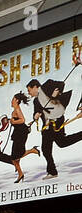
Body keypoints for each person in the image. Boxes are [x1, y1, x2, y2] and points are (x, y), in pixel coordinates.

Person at [26, 49, 82, 178]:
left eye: (29, 90)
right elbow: (36, 112)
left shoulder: (47, 84)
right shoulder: (35, 102)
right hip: (47, 125)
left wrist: (56, 93)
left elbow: (61, 84)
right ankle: (52, 172)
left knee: (61, 143)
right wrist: (35, 116)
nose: (29, 93)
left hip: (57, 118)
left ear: (35, 87)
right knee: (46, 149)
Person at [0, 93, 39, 187]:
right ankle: (20, 174)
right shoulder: (14, 110)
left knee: (16, 156)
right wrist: (10, 121)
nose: (11, 101)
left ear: (16, 100)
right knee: (15, 156)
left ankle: (33, 150)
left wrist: (13, 121)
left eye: (13, 99)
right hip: (17, 134)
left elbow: (22, 120)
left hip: (20, 134)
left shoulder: (17, 109)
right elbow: (17, 121)